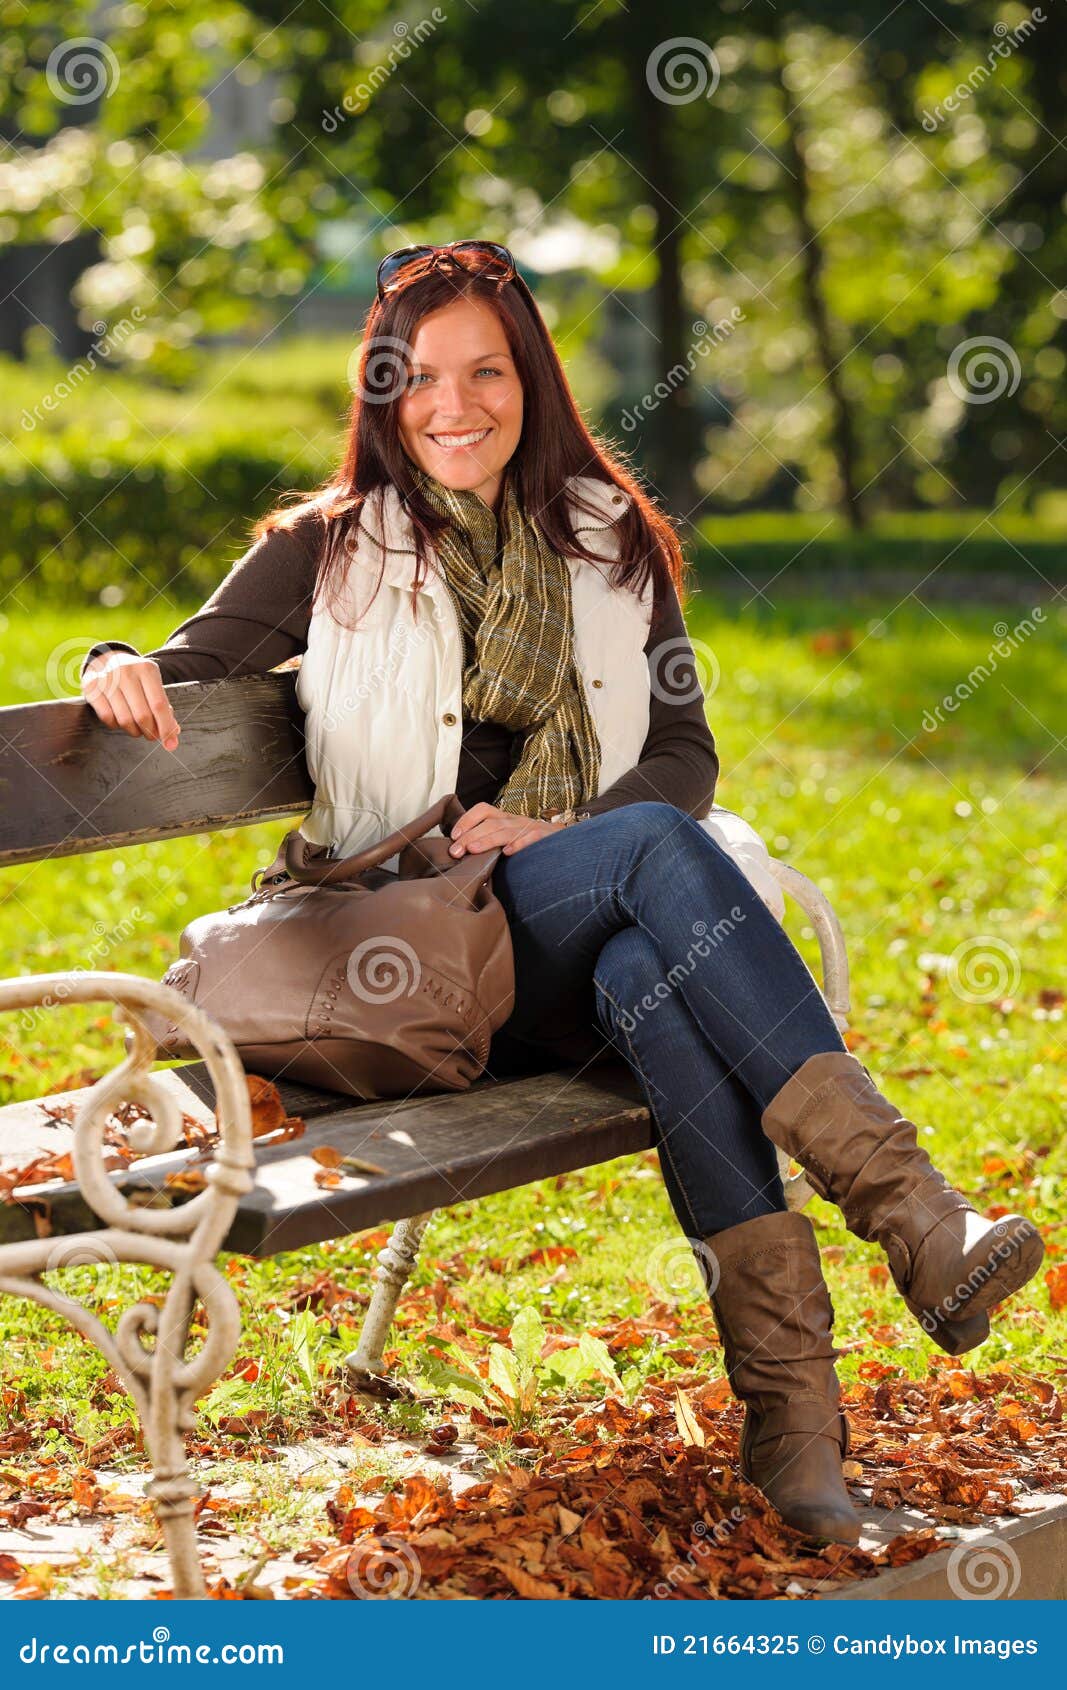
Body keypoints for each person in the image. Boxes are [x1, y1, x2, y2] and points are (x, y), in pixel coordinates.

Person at [80, 241, 1043, 1546]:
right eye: (418, 378)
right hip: (401, 963)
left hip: (548, 964)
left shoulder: (604, 543)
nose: (452, 403)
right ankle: (915, 1216)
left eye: (486, 370)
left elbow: (684, 757)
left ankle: (798, 1450)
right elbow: (185, 661)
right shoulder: (326, 549)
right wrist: (107, 657)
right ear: (382, 390)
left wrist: (554, 830)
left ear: (531, 381)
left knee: (653, 958)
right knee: (652, 857)